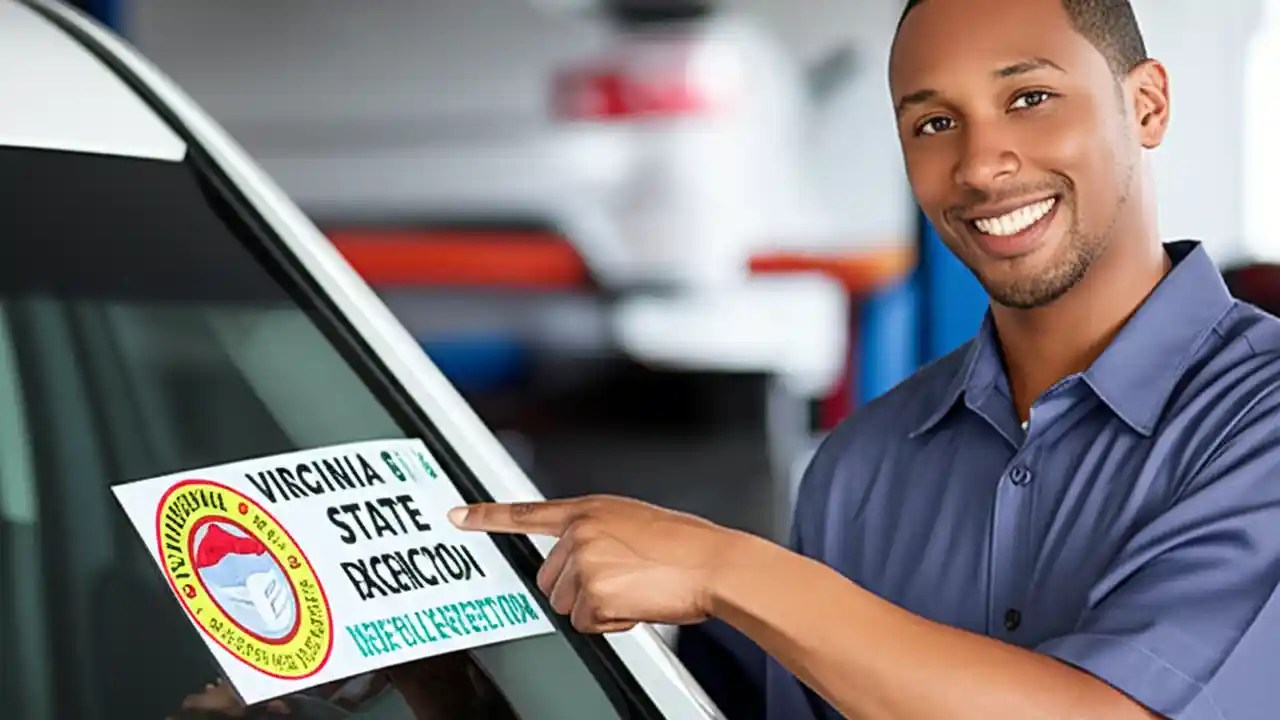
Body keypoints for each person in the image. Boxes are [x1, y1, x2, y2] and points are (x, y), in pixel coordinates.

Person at [414, 0, 1280, 718]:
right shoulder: (861, 466)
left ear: (1147, 106)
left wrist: (726, 569)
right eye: (935, 123)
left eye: (1030, 100)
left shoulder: (1260, 416)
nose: (980, 164)